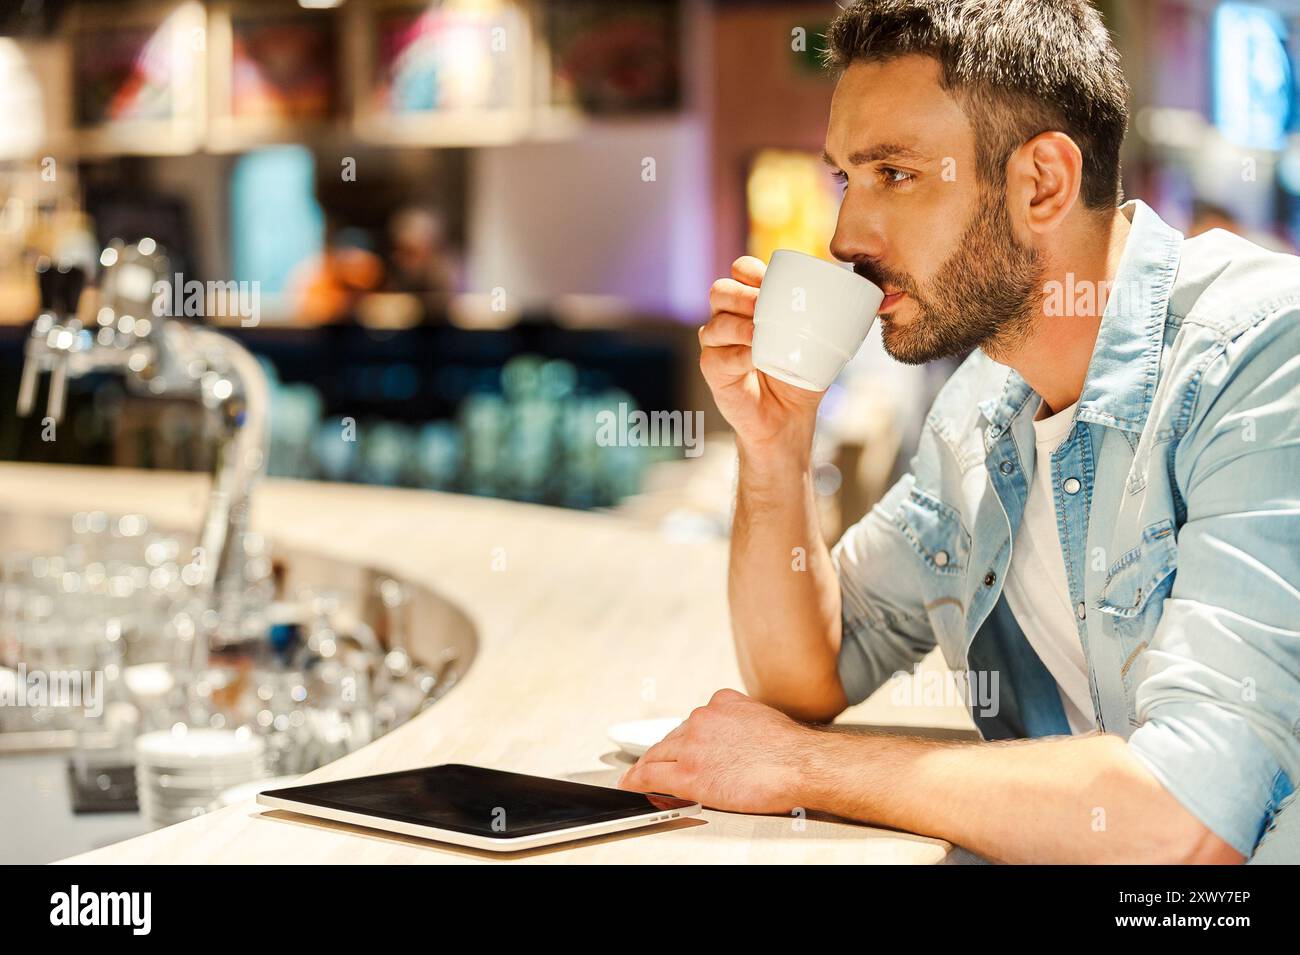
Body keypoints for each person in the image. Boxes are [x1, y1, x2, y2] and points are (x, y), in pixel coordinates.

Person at [619, 0, 1299, 864]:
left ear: (1042, 183)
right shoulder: (983, 409)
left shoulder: (1266, 356)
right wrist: (775, 445)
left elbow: (1187, 821)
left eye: (893, 175)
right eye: (845, 180)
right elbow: (809, 671)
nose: (845, 236)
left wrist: (803, 766)